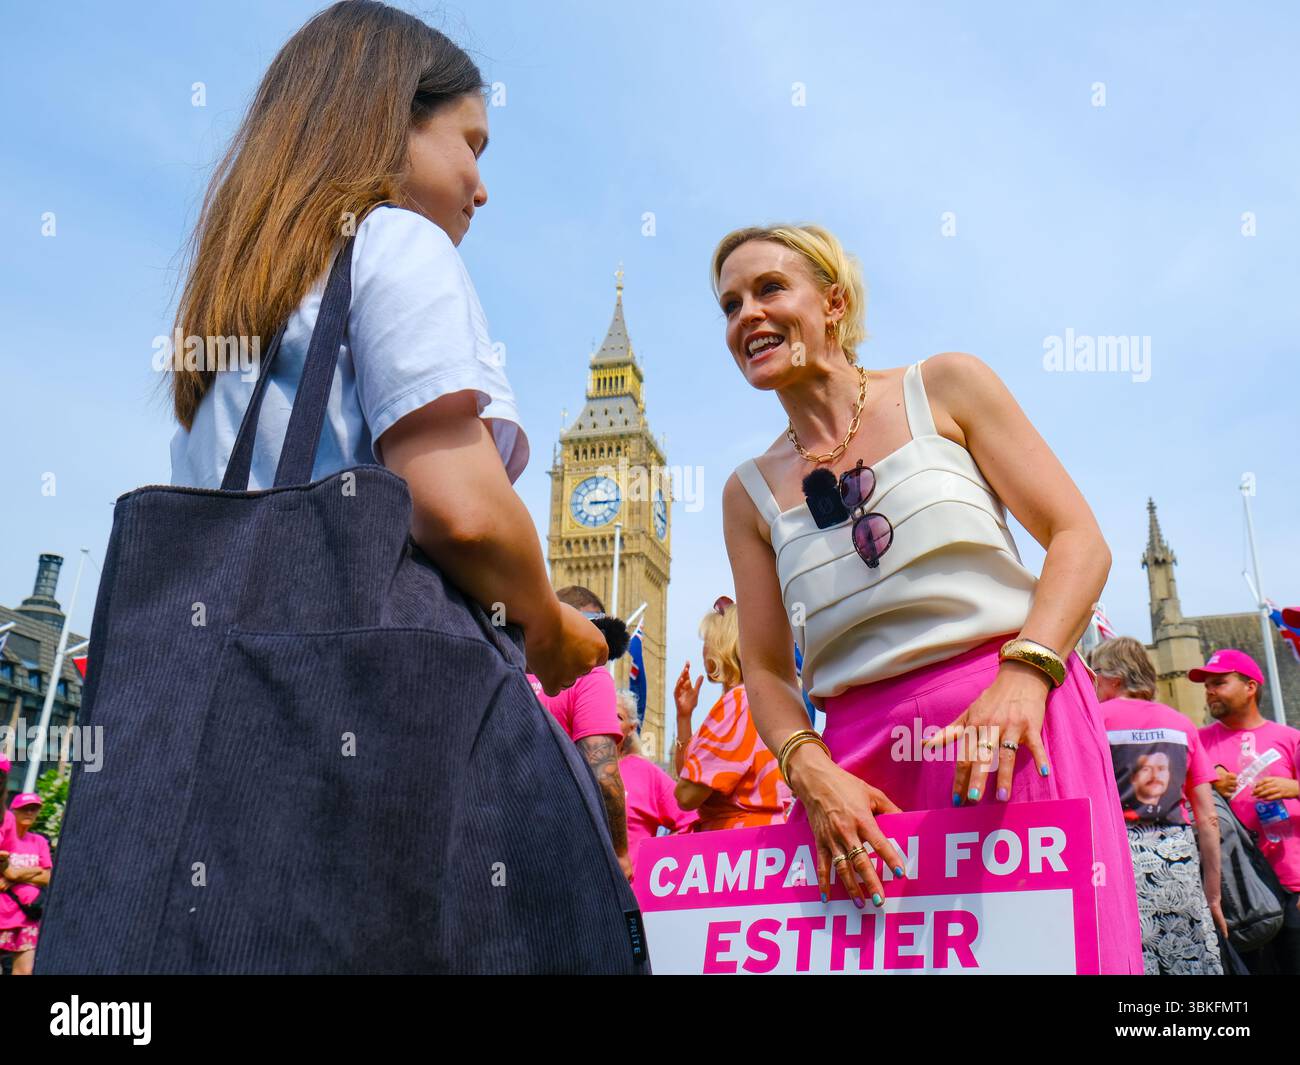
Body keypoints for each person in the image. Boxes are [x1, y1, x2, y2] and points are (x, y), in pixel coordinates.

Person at [712, 223, 1143, 971]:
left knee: (1058, 955)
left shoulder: (945, 385)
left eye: (770, 288)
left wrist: (1025, 671)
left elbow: (1078, 537)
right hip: (857, 774)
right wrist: (809, 770)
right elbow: (766, 671)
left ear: (835, 302)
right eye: (729, 304)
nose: (746, 314)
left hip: (1013, 726)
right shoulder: (745, 493)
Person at [1089, 636, 1224, 975]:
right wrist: (1213, 897)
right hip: (1177, 859)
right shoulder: (1182, 724)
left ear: (1114, 678)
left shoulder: (1093, 722)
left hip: (1115, 856)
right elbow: (1208, 818)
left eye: (1096, 677)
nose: (1092, 685)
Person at [1194, 648, 1300, 975]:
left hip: (1292, 885)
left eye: (1220, 683)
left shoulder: (1289, 739)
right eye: (1207, 685)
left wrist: (1295, 788)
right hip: (1236, 892)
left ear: (1250, 687)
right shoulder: (1196, 742)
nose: (1210, 690)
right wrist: (1208, 785)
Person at [526, 586, 632, 880]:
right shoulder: (589, 674)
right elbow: (604, 775)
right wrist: (620, 853)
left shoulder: (502, 663)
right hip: (562, 848)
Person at [673, 599, 791, 831]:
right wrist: (684, 717)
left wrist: (682, 790)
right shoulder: (761, 698)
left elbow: (687, 795)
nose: (703, 649)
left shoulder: (736, 704)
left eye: (707, 641)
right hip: (765, 836)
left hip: (734, 842)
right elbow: (689, 773)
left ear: (723, 645)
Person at [614, 690, 695, 880]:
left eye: (617, 716)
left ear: (631, 728)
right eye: (603, 713)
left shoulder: (645, 773)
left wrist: (656, 859)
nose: (609, 720)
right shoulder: (577, 763)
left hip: (630, 897)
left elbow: (690, 818)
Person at [0, 794, 52, 976]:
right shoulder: (4, 837)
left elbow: (47, 877)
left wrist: (14, 876)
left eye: (34, 808)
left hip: (27, 916)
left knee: (25, 971)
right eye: (24, 808)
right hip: (2, 914)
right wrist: (34, 870)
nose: (29, 812)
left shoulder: (39, 842)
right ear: (13, 811)